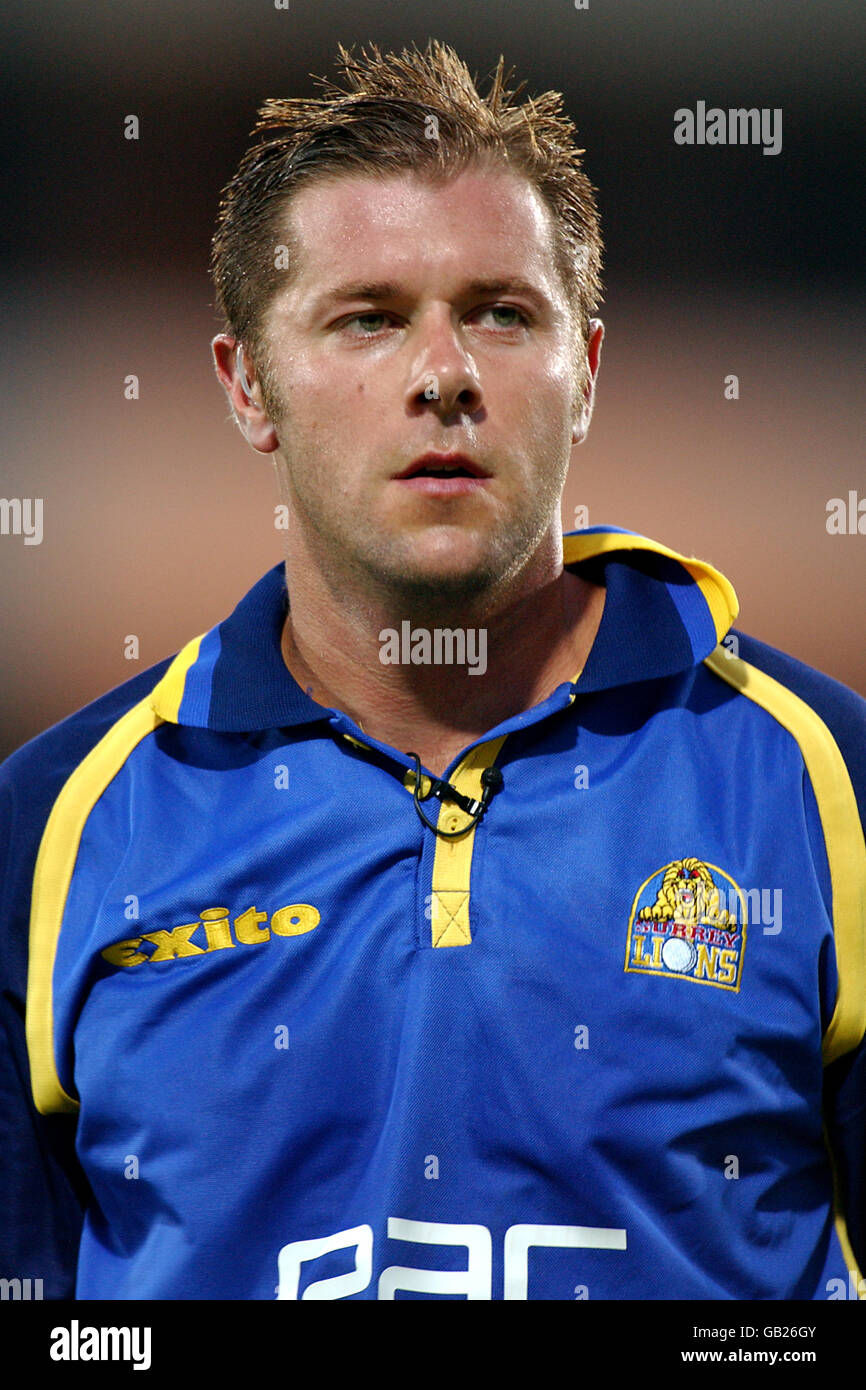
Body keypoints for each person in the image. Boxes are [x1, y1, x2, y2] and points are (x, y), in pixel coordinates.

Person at [1, 39, 864, 1303]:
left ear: (586, 374)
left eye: (501, 314)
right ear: (247, 386)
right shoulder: (52, 830)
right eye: (368, 319)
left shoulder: (821, 785)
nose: (443, 376)